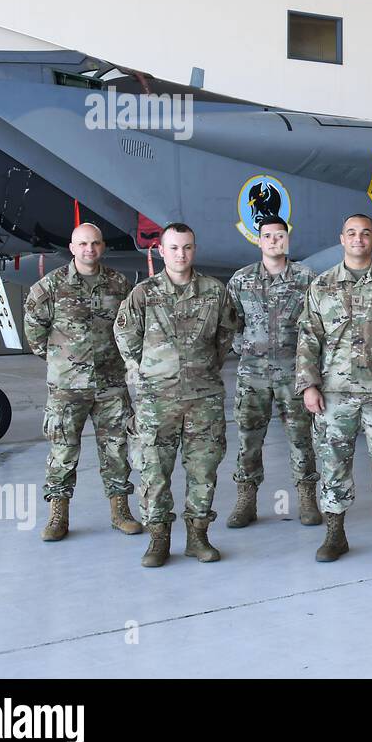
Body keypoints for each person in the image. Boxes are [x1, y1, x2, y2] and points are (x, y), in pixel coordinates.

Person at [296, 214, 372, 563]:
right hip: (334, 394)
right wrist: (309, 385)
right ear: (342, 239)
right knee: (333, 463)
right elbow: (308, 340)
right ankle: (335, 534)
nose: (358, 239)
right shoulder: (321, 286)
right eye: (351, 233)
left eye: (365, 233)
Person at [114, 222, 239, 567]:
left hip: (204, 397)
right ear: (161, 251)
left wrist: (206, 366)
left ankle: (198, 537)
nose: (180, 254)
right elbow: (126, 336)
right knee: (154, 470)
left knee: (204, 469)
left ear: (194, 249)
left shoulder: (215, 291)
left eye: (186, 247)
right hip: (158, 399)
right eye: (174, 248)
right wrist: (149, 370)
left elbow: (226, 333)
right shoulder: (144, 293)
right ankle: (158, 540)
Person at [23, 223, 139, 541]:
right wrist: (59, 361)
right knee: (62, 450)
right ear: (72, 248)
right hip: (67, 387)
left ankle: (120, 511)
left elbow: (129, 327)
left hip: (110, 384)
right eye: (83, 244)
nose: (89, 249)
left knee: (115, 448)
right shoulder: (49, 287)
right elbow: (34, 329)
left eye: (95, 243)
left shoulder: (119, 284)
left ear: (103, 247)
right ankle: (58, 516)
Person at [225, 217, 320, 529]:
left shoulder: (306, 278)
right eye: (268, 236)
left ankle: (306, 498)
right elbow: (231, 325)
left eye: (280, 236)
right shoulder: (241, 280)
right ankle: (246, 500)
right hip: (252, 377)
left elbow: (316, 326)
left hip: (294, 376)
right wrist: (250, 349)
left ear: (287, 239)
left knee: (301, 439)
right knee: (248, 440)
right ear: (259, 240)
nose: (274, 241)